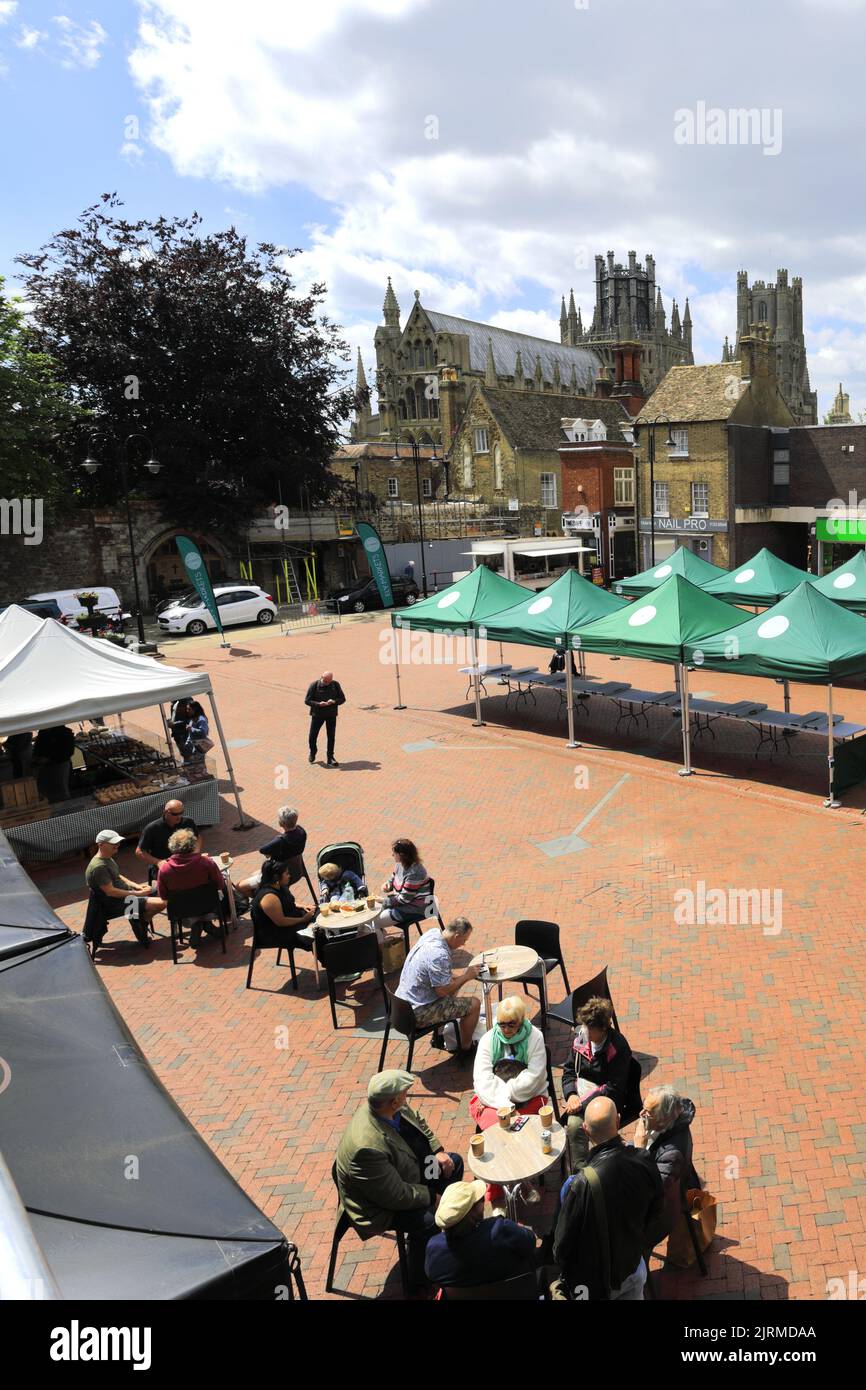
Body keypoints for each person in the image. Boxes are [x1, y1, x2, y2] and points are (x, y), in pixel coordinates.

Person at [335, 1070, 464, 1292]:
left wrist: (438, 1150)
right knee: (428, 1221)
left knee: (453, 1165)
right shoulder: (367, 1148)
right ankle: (422, 1278)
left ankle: (448, 1232)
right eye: (405, 1093)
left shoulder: (390, 1107)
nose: (407, 1097)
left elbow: (419, 1123)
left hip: (408, 1171)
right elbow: (396, 1196)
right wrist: (432, 1196)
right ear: (394, 1100)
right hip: (383, 1205)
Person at [552, 1096, 663, 1301]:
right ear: (619, 1121)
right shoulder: (644, 1160)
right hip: (633, 1266)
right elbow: (656, 1211)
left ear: (585, 1131)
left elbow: (561, 1247)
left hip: (595, 1284)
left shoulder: (579, 1184)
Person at [470, 995, 549, 1214]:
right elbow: (482, 1080)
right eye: (502, 1024)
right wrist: (503, 1103)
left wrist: (510, 1093)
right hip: (492, 1102)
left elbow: (534, 1076)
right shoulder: (488, 1040)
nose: (505, 1029)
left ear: (522, 1020)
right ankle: (502, 1196)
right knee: (497, 1132)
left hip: (528, 1097)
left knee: (512, 1130)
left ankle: (519, 1179)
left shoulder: (535, 1037)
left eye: (511, 1024)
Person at [424, 1180, 537, 1292]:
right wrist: (517, 1229)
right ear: (473, 1213)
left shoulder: (434, 1248)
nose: (483, 1204)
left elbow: (432, 1275)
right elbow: (530, 1242)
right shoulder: (500, 1230)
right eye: (481, 1200)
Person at [562, 996, 632, 1172]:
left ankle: (589, 1172)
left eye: (589, 1028)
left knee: (575, 1125)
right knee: (572, 1124)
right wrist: (571, 1094)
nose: (584, 1031)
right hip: (580, 1098)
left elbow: (613, 1089)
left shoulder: (618, 1047)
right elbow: (569, 1071)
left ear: (602, 1029)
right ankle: (582, 1171)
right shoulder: (581, 1039)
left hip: (607, 1101)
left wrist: (581, 1104)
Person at [395, 917, 482, 1058]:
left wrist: (459, 978)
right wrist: (466, 976)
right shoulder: (439, 955)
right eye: (464, 940)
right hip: (416, 1014)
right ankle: (466, 1048)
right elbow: (442, 991)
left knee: (454, 984)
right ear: (456, 936)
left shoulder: (432, 934)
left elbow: (442, 978)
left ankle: (439, 1036)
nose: (464, 944)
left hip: (401, 1005)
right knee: (474, 1005)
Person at [633, 1085, 699, 1249]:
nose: (641, 1115)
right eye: (643, 1107)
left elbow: (649, 1188)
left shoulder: (672, 1155)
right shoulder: (670, 1124)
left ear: (662, 1120)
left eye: (648, 1113)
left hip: (661, 1212)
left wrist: (639, 1149)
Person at [85, 828, 166, 947]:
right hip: (117, 903)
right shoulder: (99, 867)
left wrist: (137, 886)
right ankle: (141, 920)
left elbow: (118, 876)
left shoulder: (107, 858)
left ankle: (140, 920)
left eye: (117, 842)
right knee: (163, 902)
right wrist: (139, 894)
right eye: (113, 843)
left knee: (160, 890)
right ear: (101, 845)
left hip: (127, 895)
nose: (117, 845)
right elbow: (111, 892)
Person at [156, 827, 226, 947]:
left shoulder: (164, 869)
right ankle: (206, 924)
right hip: (208, 905)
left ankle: (197, 924)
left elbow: (163, 895)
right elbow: (220, 884)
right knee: (217, 892)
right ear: (192, 845)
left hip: (181, 910)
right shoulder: (206, 862)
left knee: (183, 901)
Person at [236, 806, 308, 897]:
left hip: (279, 876)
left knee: (239, 886)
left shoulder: (281, 840)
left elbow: (263, 850)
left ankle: (263, 900)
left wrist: (272, 852)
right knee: (254, 873)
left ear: (282, 823)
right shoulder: (301, 831)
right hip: (297, 871)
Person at [250, 858, 317, 939]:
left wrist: (303, 906)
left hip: (293, 918)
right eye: (287, 873)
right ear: (276, 877)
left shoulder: (280, 886)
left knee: (318, 911)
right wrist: (303, 919)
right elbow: (280, 921)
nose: (289, 876)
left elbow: (286, 902)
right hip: (278, 932)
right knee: (318, 933)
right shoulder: (269, 897)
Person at [377, 839, 433, 934]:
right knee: (371, 917)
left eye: (394, 853)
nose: (392, 855)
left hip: (415, 909)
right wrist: (387, 885)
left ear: (402, 855)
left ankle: (380, 945)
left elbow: (404, 899)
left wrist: (383, 901)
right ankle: (381, 942)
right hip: (399, 903)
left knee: (374, 923)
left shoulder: (415, 872)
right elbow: (393, 879)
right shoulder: (399, 864)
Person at [136, 800, 199, 877]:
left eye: (181, 813)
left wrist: (195, 852)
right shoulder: (152, 828)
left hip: (186, 861)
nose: (179, 816)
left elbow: (198, 837)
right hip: (165, 866)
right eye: (175, 814)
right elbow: (139, 851)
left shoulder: (188, 822)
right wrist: (158, 862)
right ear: (166, 812)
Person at [305, 669, 345, 766]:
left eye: (329, 681)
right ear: (321, 677)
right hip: (317, 715)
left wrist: (334, 701)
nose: (327, 683)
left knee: (331, 737)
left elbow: (343, 699)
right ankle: (313, 752)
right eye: (326, 681)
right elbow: (307, 701)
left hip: (331, 715)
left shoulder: (335, 685)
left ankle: (330, 757)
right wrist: (318, 704)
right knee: (312, 736)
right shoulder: (314, 685)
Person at [33, 724, 76, 801]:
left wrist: (49, 758)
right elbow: (38, 747)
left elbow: (68, 752)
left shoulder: (64, 732)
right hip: (45, 766)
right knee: (46, 790)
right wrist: (37, 758)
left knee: (61, 790)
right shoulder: (43, 732)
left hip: (60, 764)